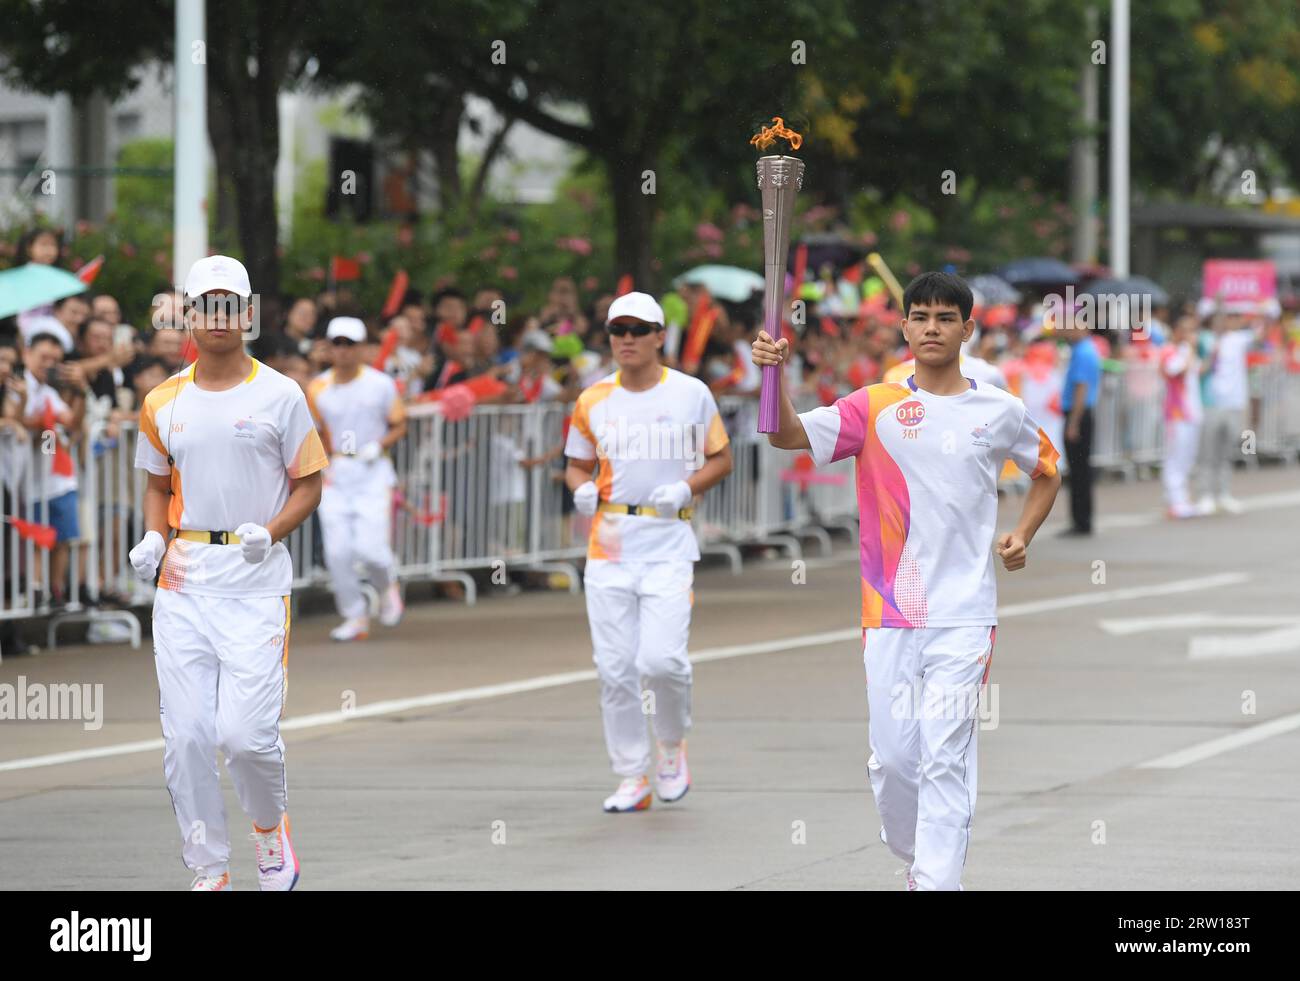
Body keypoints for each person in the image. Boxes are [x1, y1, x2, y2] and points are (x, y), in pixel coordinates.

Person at [752, 272, 1061, 890]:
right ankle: (917, 857)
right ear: (905, 327)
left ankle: (937, 880)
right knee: (895, 761)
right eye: (920, 317)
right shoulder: (873, 406)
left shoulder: (999, 410)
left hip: (964, 614)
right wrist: (773, 373)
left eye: (945, 318)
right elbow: (786, 434)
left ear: (967, 330)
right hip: (889, 611)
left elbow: (1047, 471)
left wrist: (1022, 534)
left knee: (945, 755)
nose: (931, 328)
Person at [128, 255, 327, 891]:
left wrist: (267, 533)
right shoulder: (163, 401)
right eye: (204, 305)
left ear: (247, 315)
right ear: (189, 314)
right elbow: (158, 485)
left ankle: (269, 832)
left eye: (229, 305)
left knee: (244, 737)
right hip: (184, 581)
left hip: (254, 580)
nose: (217, 317)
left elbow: (309, 484)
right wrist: (154, 539)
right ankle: (210, 868)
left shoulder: (280, 394)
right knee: (186, 737)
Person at [563, 291, 733, 813]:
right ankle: (631, 774)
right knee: (615, 668)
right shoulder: (593, 399)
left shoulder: (690, 394)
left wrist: (688, 488)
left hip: (668, 541)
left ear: (661, 335)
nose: (628, 339)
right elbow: (576, 462)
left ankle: (672, 746)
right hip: (610, 542)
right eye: (619, 331)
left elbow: (720, 458)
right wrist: (579, 489)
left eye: (639, 329)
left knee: (660, 661)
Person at [305, 316, 407, 642]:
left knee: (372, 549)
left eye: (351, 344)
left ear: (363, 348)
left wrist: (379, 445)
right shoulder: (317, 387)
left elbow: (399, 424)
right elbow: (316, 432)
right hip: (336, 472)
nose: (344, 351)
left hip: (372, 471)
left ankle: (386, 586)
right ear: (329, 347)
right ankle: (355, 615)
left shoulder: (380, 384)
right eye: (338, 343)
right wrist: (322, 465)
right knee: (338, 552)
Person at [19, 332, 86, 607]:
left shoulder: (49, 393)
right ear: (27, 354)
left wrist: (81, 392)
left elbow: (71, 421)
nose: (48, 363)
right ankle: (35, 589)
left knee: (63, 537)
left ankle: (54, 591)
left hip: (59, 479)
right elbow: (17, 418)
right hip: (30, 481)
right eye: (43, 356)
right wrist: (38, 421)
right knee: (38, 537)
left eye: (54, 359)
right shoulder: (17, 386)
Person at [1195, 312, 1258, 515]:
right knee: (1208, 452)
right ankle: (1205, 495)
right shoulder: (1205, 339)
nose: (1228, 322)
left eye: (1232, 318)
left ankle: (1223, 493)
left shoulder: (1239, 339)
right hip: (1211, 402)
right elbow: (1199, 360)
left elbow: (1260, 336)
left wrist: (1266, 309)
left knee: (1225, 452)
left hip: (1234, 404)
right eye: (1224, 318)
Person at [1060, 317, 1101, 536]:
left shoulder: (1084, 352)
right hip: (1080, 413)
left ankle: (1082, 521)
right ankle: (1080, 519)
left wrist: (1073, 422)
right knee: (1079, 470)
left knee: (1079, 470)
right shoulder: (1083, 350)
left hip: (1079, 414)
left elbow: (1081, 388)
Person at [1160, 315, 1202, 519]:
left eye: (1192, 331)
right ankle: (1174, 500)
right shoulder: (1169, 351)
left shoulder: (1187, 352)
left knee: (1187, 457)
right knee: (1175, 457)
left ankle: (1183, 498)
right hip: (1176, 413)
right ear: (1176, 331)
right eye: (1186, 330)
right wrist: (1189, 351)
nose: (1190, 335)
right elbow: (1175, 371)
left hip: (1192, 413)